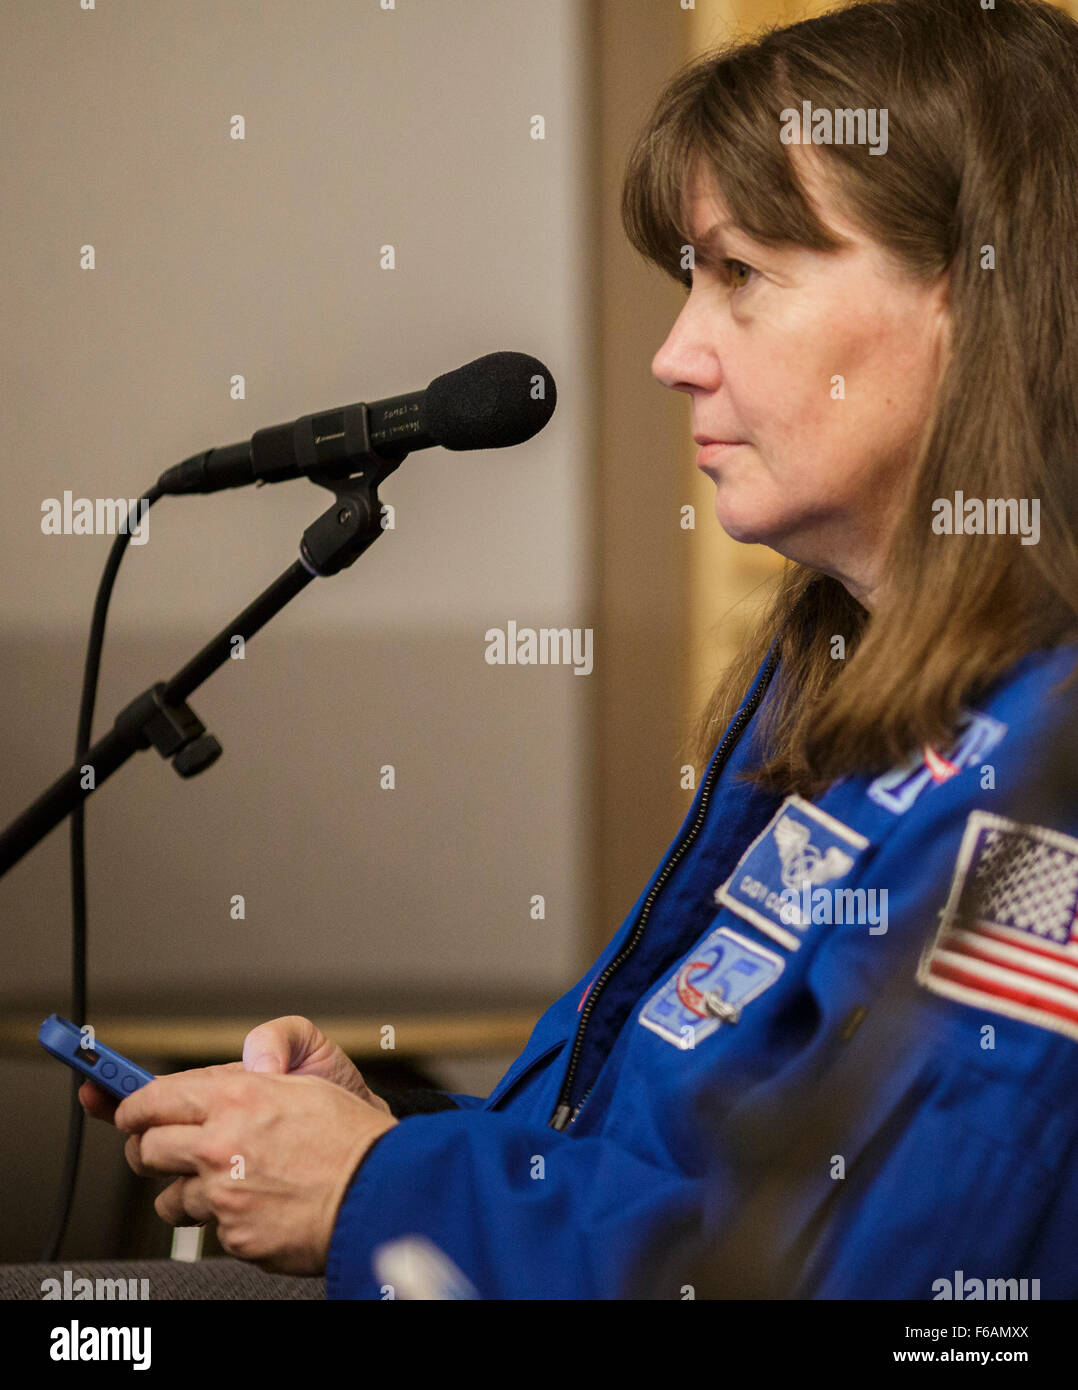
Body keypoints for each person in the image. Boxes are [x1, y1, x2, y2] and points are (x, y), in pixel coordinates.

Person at [81, 0, 1078, 1298]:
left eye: (739, 273)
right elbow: (644, 1130)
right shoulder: (830, 663)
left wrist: (382, 1189)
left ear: (971, 294)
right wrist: (392, 1138)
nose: (674, 355)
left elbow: (862, 1285)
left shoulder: (1047, 782)